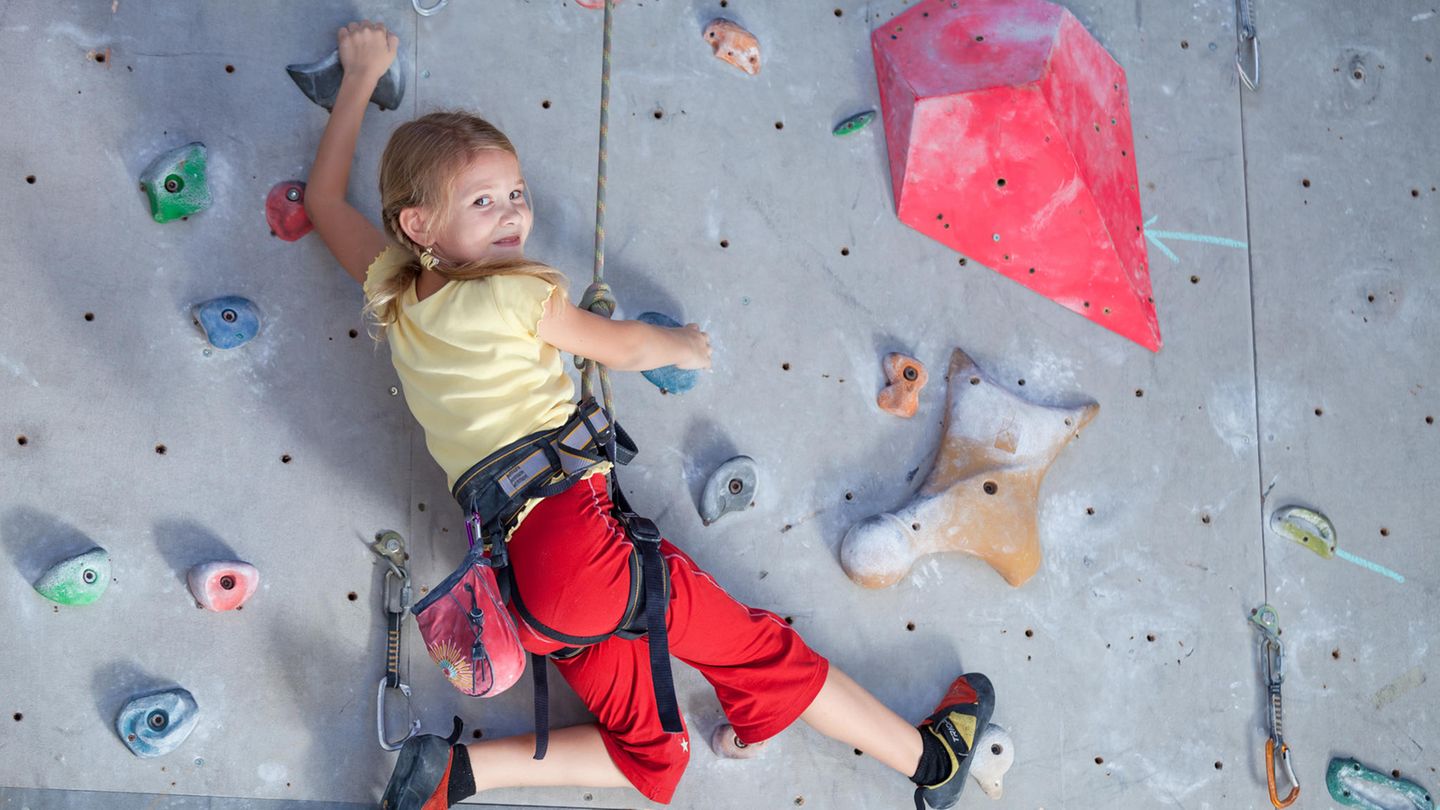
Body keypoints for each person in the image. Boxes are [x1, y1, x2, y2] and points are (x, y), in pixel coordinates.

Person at [304, 20, 995, 810]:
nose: (512, 216)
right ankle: (929, 762)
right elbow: (621, 347)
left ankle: (455, 777)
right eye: (483, 201)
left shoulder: (397, 294)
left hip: (524, 581)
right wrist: (684, 345)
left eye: (516, 195)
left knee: (654, 757)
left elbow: (327, 202)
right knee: (764, 655)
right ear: (420, 225)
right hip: (577, 550)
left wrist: (358, 79)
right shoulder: (515, 293)